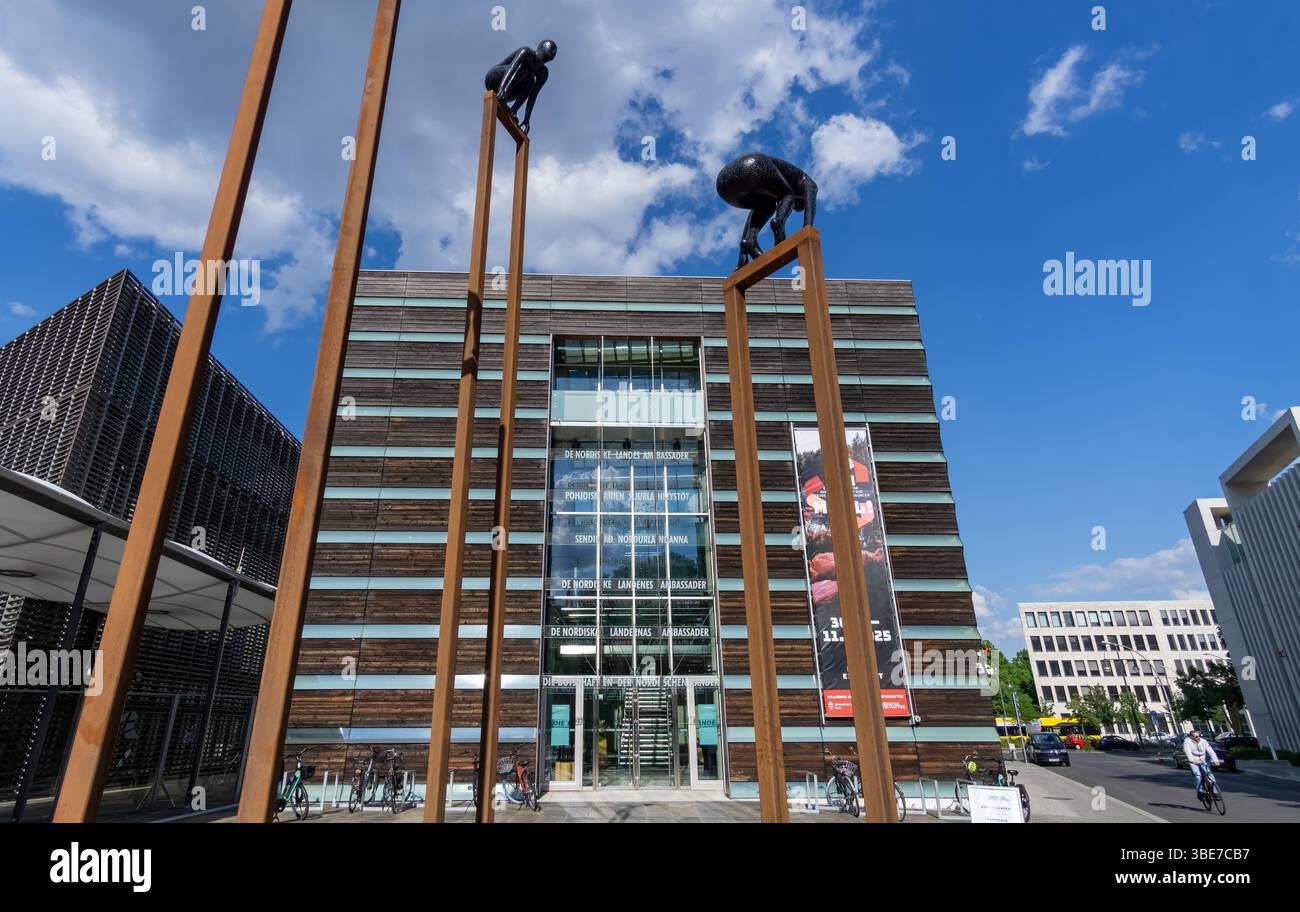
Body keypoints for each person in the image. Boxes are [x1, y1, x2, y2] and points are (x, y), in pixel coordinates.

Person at [1182, 729, 1220, 797]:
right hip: (1193, 761)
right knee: (1198, 776)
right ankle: (1200, 791)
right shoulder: (1187, 741)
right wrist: (1192, 760)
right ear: (1191, 737)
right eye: (1196, 736)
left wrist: (1216, 760)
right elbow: (1188, 752)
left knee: (1210, 776)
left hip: (1203, 760)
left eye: (1199, 736)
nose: (1198, 737)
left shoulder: (1203, 741)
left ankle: (1215, 792)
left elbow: (1210, 751)